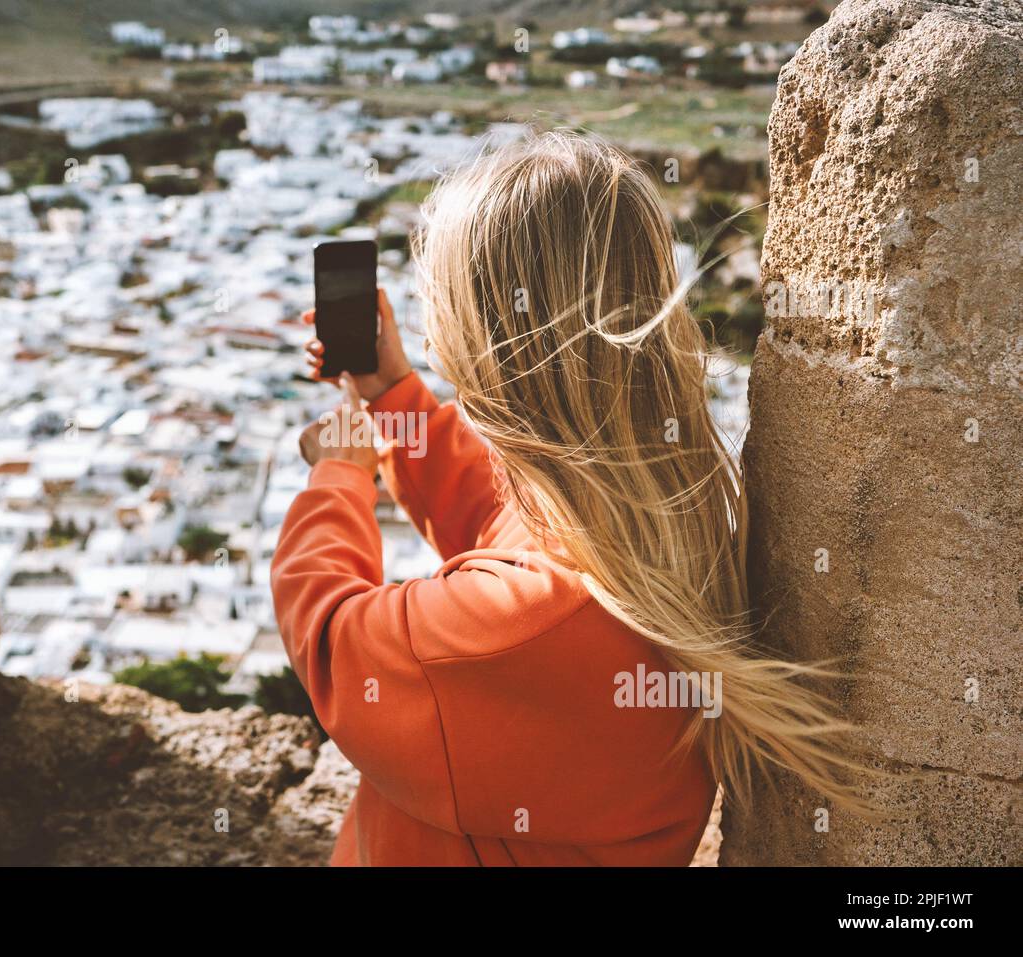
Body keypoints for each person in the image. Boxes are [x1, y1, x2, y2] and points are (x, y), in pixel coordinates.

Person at [270, 131, 865, 866]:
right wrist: (393, 396)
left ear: (481, 339)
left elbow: (332, 639)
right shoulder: (673, 518)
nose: (431, 339)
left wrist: (338, 474)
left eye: (441, 308)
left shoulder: (521, 626)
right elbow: (503, 521)